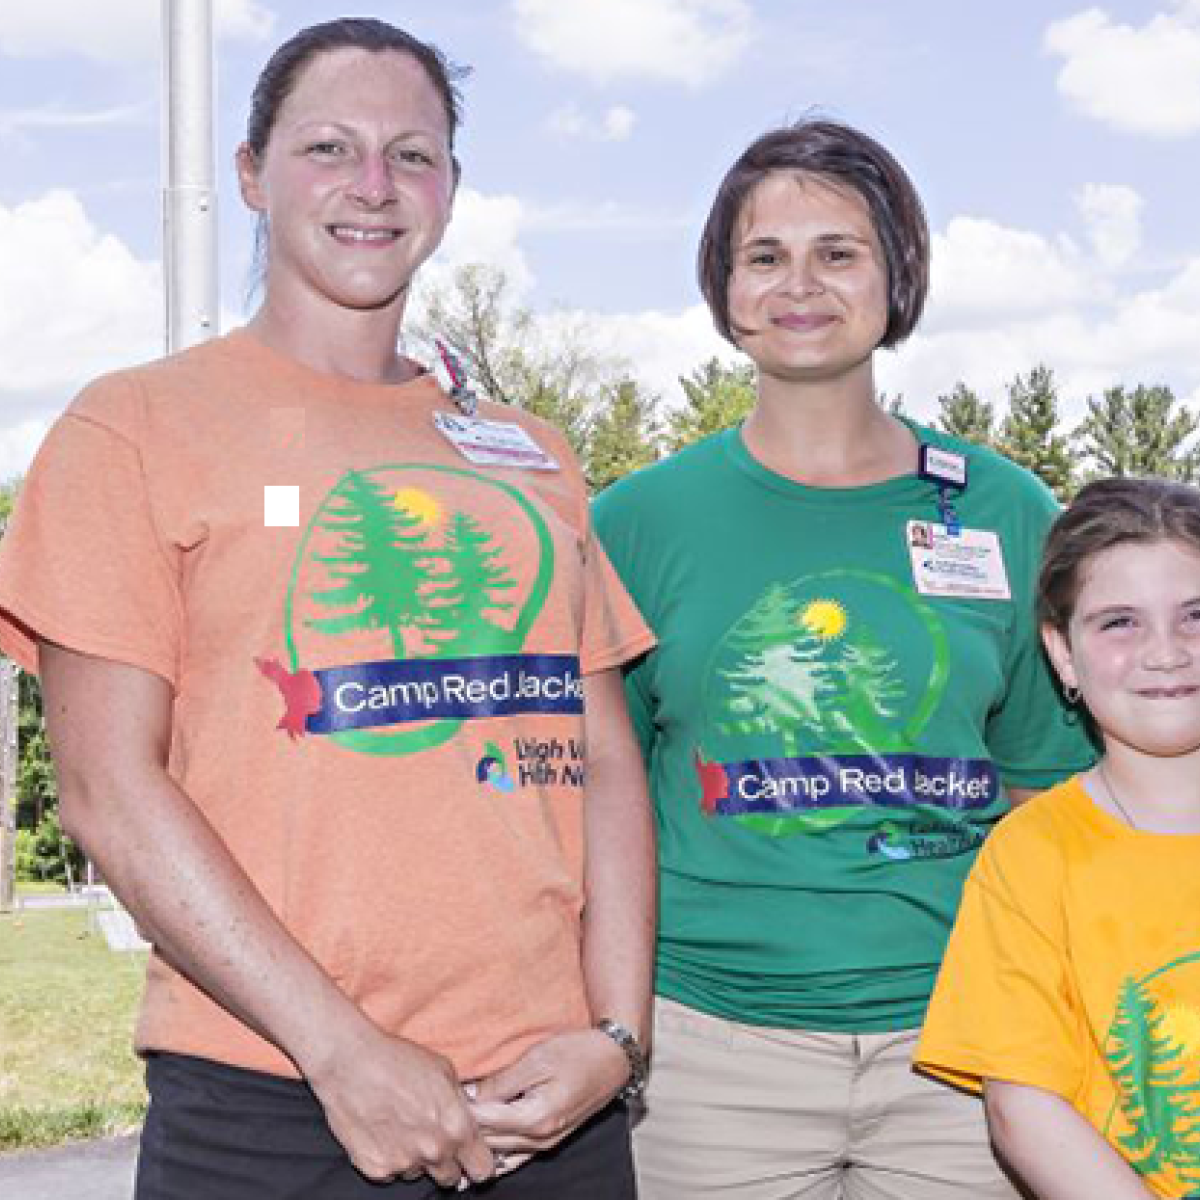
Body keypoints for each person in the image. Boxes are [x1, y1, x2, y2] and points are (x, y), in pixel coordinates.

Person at [0, 18, 655, 1199]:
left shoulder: (533, 453)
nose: (373, 186)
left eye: (413, 155)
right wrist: (344, 1052)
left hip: (550, 1108)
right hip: (275, 1105)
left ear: (452, 190)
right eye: (327, 148)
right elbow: (105, 788)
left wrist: (615, 1039)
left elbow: (606, 759)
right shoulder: (131, 428)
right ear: (250, 174)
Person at [592, 117, 1093, 1198]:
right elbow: (604, 799)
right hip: (708, 1061)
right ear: (723, 291)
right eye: (763, 256)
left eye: (839, 252)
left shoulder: (1008, 511)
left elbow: (1047, 793)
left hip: (964, 1054)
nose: (798, 285)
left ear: (898, 274)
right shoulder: (637, 522)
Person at [917, 477, 1200, 1200]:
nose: (1167, 652)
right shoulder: (1032, 855)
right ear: (1062, 654)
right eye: (1119, 623)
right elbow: (1025, 1106)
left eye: (1196, 615)